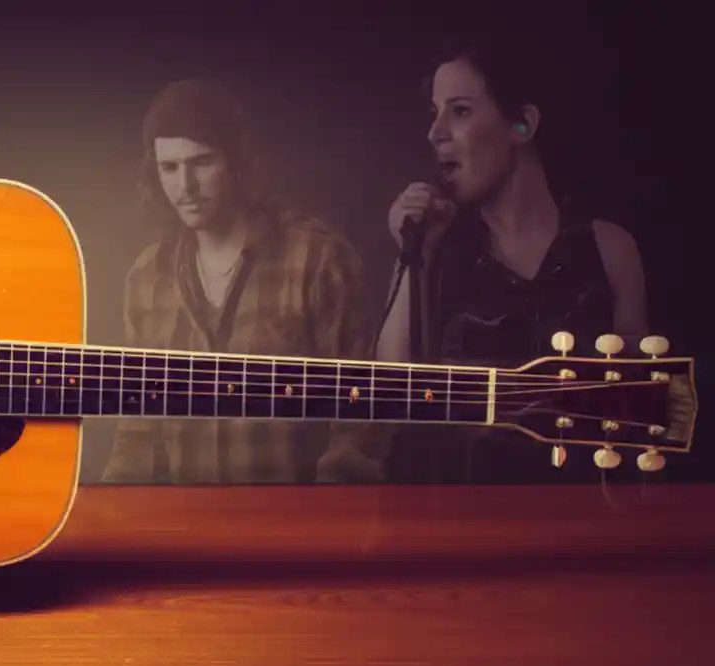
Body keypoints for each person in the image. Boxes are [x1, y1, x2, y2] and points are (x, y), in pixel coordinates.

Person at [374, 37, 650, 482]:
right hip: (463, 523)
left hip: (586, 520)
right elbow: (386, 396)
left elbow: (642, 420)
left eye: (459, 111)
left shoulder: (608, 247)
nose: (435, 132)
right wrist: (414, 255)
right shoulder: (437, 247)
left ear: (521, 125)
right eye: (434, 112)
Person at [98, 78, 388, 485]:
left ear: (237, 162)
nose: (186, 187)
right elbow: (137, 429)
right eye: (170, 168)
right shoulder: (148, 277)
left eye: (201, 162)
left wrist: (330, 523)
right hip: (182, 533)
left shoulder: (317, 259)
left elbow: (362, 413)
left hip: (297, 531)